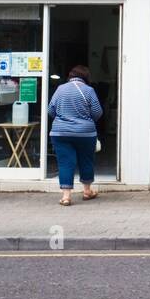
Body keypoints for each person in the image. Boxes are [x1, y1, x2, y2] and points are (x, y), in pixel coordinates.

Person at [46, 65, 103, 206]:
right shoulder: (89, 90)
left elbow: (50, 110)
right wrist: (86, 121)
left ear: (70, 76)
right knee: (86, 160)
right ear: (86, 77)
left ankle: (66, 197)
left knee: (65, 163)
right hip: (85, 133)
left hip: (61, 132)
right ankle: (87, 191)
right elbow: (97, 112)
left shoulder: (60, 89)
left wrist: (63, 119)